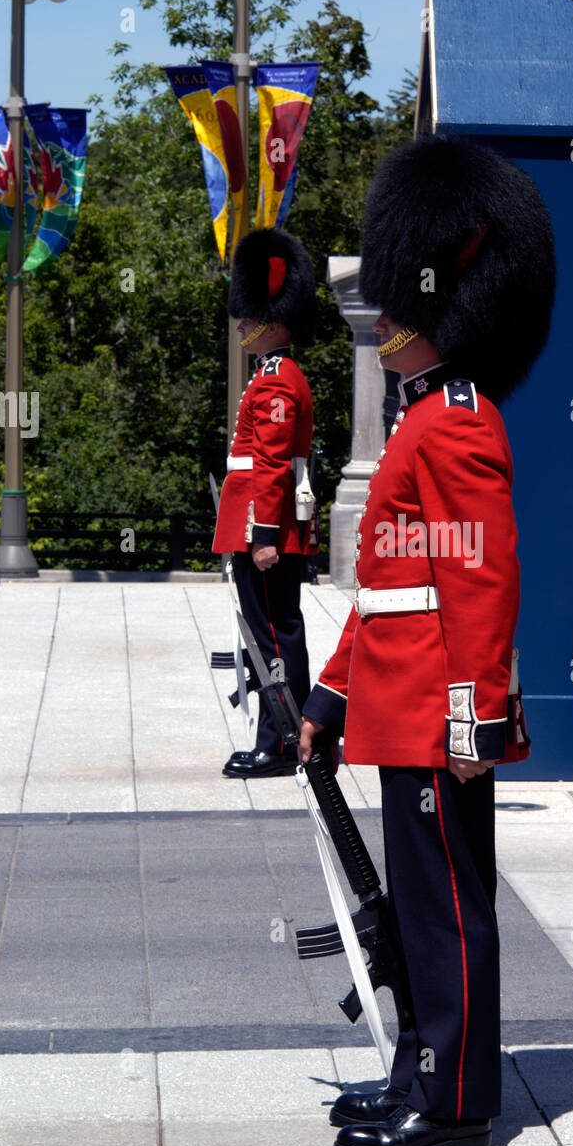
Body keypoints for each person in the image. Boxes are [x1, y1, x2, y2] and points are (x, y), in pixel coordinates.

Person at [298, 135, 555, 1146]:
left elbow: (481, 582)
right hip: (399, 705)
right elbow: (390, 588)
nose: (379, 320)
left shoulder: (455, 422)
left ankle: (454, 1101)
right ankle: (419, 1067)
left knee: (446, 910)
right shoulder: (420, 419)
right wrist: (328, 695)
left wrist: (473, 716)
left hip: (438, 714)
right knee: (414, 907)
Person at [213, 227, 317, 778]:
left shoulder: (276, 382)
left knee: (274, 635)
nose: (242, 326)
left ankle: (281, 741)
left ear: (272, 321)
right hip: (261, 525)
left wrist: (264, 537)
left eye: (250, 317)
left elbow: (273, 467)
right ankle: (280, 734)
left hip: (266, 530)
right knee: (272, 632)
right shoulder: (270, 376)